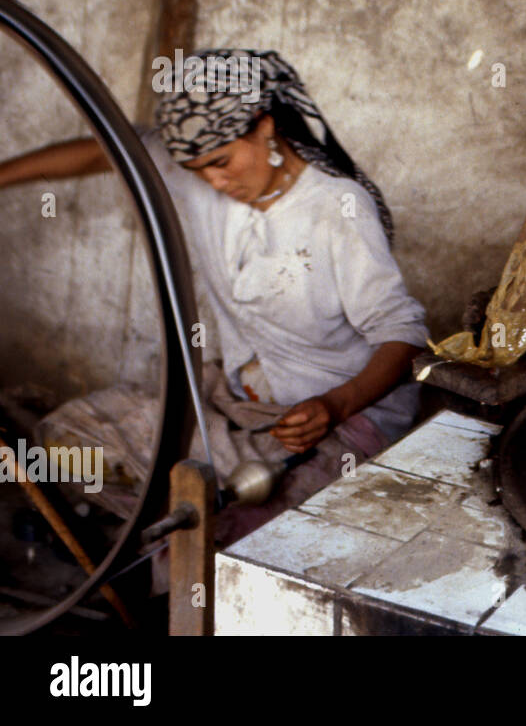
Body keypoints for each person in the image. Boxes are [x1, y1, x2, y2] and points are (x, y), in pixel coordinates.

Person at [0, 49, 428, 542]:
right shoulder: (199, 166)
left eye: (221, 163)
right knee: (67, 446)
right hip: (236, 402)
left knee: (253, 539)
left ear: (264, 126)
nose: (214, 182)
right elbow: (106, 149)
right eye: (198, 169)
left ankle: (171, 562)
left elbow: (403, 331)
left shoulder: (336, 207)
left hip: (338, 421)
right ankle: (151, 545)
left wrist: (334, 404)